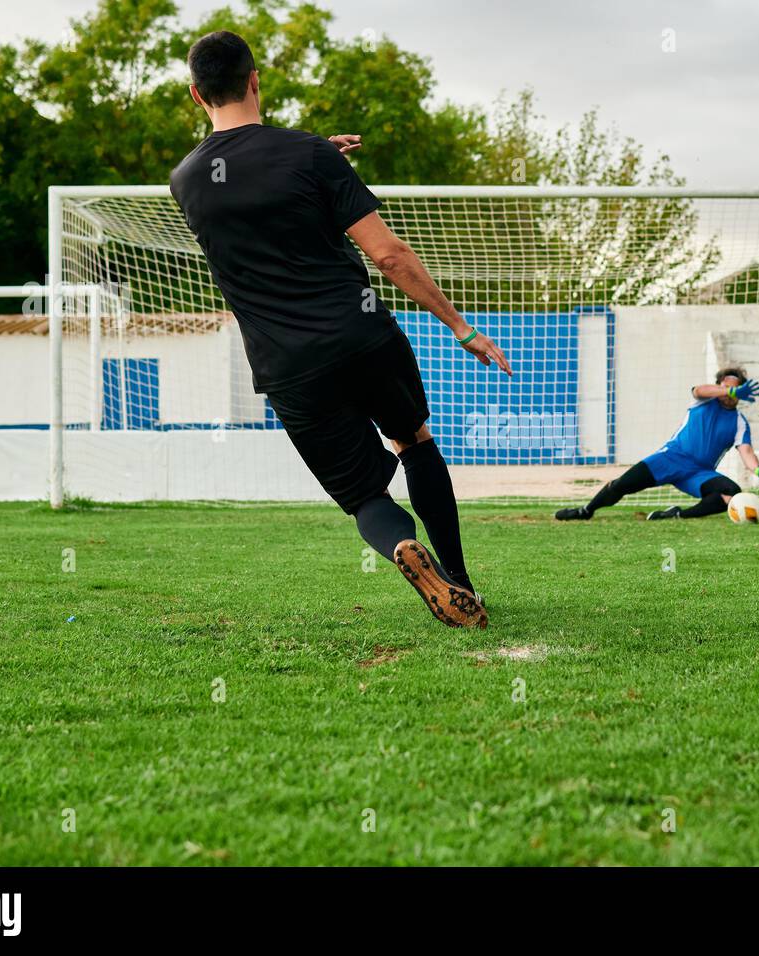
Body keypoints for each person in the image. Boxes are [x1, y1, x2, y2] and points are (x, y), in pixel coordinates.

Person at [169, 31, 511, 628]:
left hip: (287, 366)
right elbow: (389, 257)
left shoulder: (188, 180)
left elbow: (250, 196)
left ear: (198, 95)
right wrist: (460, 327)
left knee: (366, 499)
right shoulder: (309, 156)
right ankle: (461, 582)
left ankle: (403, 549)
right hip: (362, 335)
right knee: (414, 442)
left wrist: (311, 161)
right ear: (256, 80)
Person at [554, 367, 759, 521]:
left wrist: (756, 469)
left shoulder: (739, 422)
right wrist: (728, 389)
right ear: (720, 386)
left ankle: (677, 515)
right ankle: (586, 511)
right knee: (620, 485)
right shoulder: (703, 401)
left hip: (698, 473)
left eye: (736, 389)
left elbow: (746, 451)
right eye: (725, 387)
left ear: (743, 392)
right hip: (669, 459)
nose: (729, 393)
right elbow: (699, 389)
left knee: (731, 493)